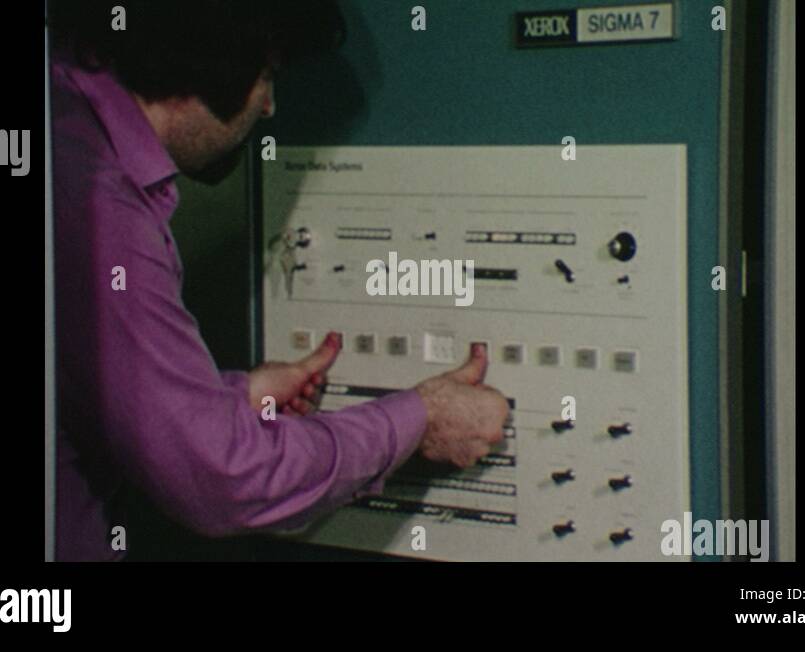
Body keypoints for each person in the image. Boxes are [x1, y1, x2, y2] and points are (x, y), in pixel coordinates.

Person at [49, 0, 509, 561]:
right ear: (213, 61)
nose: (268, 106)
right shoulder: (100, 208)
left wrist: (228, 401)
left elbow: (92, 380)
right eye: (266, 75)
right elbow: (221, 481)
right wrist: (420, 419)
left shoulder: (63, 119)